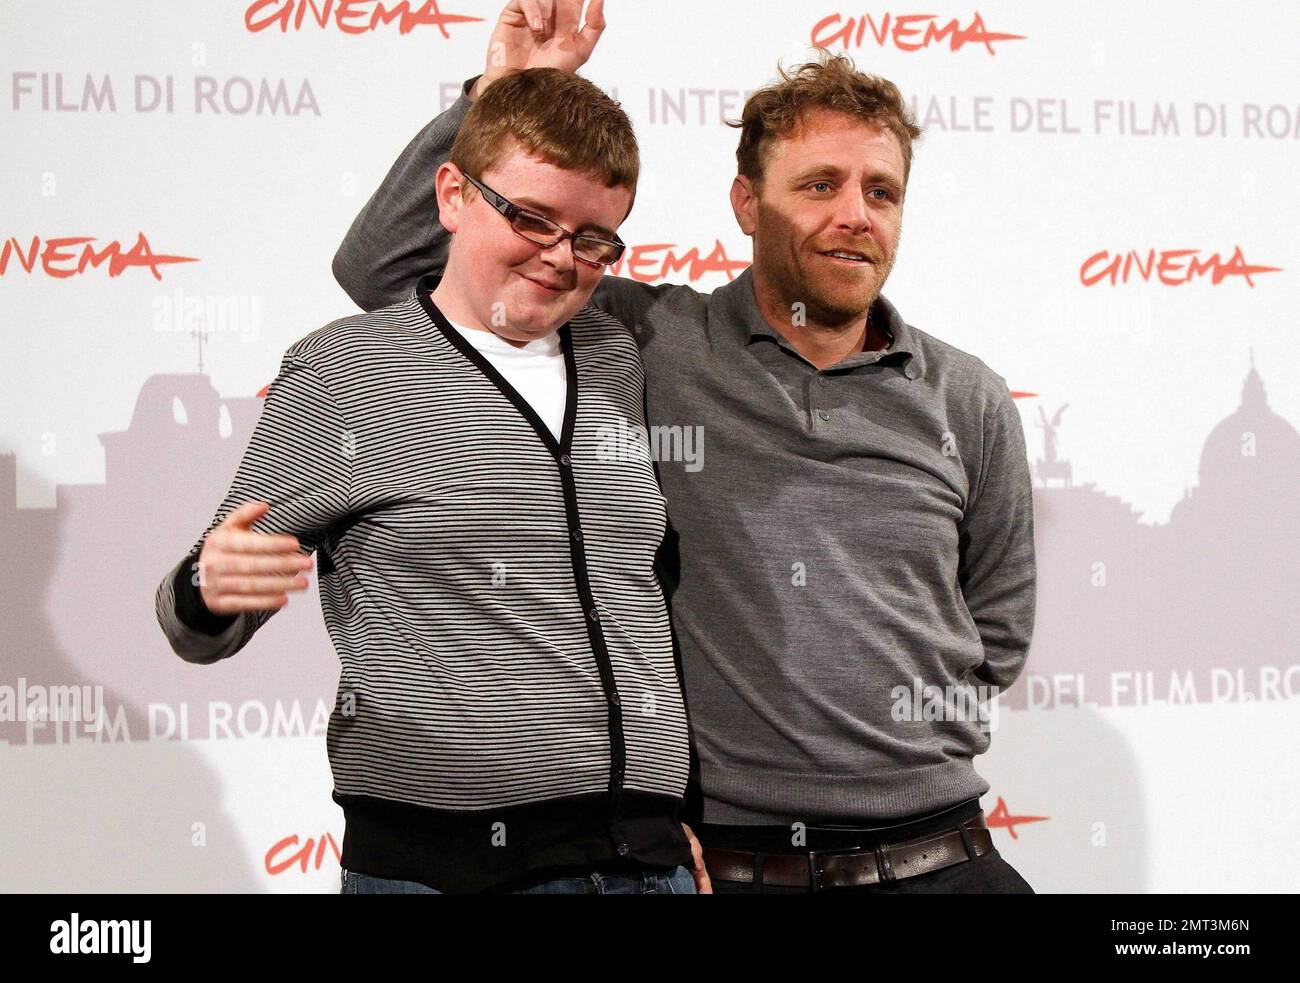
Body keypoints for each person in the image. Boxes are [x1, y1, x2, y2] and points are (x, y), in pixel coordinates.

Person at [333, 0, 1039, 894]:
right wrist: (504, 95)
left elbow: (997, 635)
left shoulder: (967, 395)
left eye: (881, 191)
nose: (856, 214)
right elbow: (384, 272)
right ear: (746, 202)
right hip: (719, 870)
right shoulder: (650, 338)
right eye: (819, 185)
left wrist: (890, 754)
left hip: (946, 862)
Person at [155, 62, 710, 895]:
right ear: (450, 196)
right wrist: (207, 583)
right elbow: (196, 616)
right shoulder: (346, 369)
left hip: (646, 863)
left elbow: (643, 604)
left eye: (593, 237)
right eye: (532, 217)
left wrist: (678, 816)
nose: (561, 258)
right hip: (443, 872)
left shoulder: (620, 357)